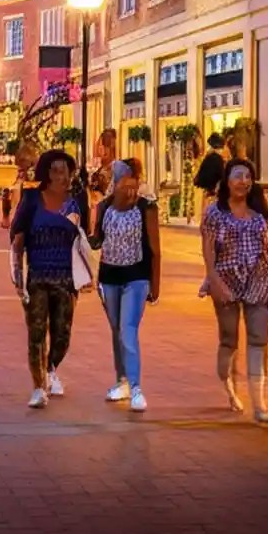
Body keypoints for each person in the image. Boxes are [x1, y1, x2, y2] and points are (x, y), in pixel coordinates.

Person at [201, 158, 268, 426]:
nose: (243, 181)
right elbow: (208, 251)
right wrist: (214, 280)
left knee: (259, 338)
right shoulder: (215, 213)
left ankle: (260, 405)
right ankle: (229, 388)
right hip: (225, 278)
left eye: (248, 177)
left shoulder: (260, 215)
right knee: (229, 340)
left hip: (259, 281)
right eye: (238, 176)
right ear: (227, 180)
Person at [10, 150, 86, 408]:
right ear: (46, 172)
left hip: (66, 279)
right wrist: (18, 278)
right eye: (54, 170)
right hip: (38, 277)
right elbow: (18, 239)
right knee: (36, 333)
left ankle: (51, 366)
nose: (60, 175)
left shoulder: (76, 201)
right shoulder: (32, 198)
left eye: (64, 170)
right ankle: (38, 386)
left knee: (62, 335)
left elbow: (86, 239)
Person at [90, 159, 161, 412]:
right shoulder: (104, 206)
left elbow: (155, 248)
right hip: (109, 276)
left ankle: (136, 387)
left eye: (133, 183)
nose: (130, 188)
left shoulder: (146, 208)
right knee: (116, 330)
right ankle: (121, 381)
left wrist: (156, 284)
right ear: (115, 184)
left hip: (136, 276)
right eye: (123, 182)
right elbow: (97, 239)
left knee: (127, 330)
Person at [193, 133, 227, 210]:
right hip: (213, 192)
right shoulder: (217, 159)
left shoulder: (208, 158)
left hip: (206, 191)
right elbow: (221, 175)